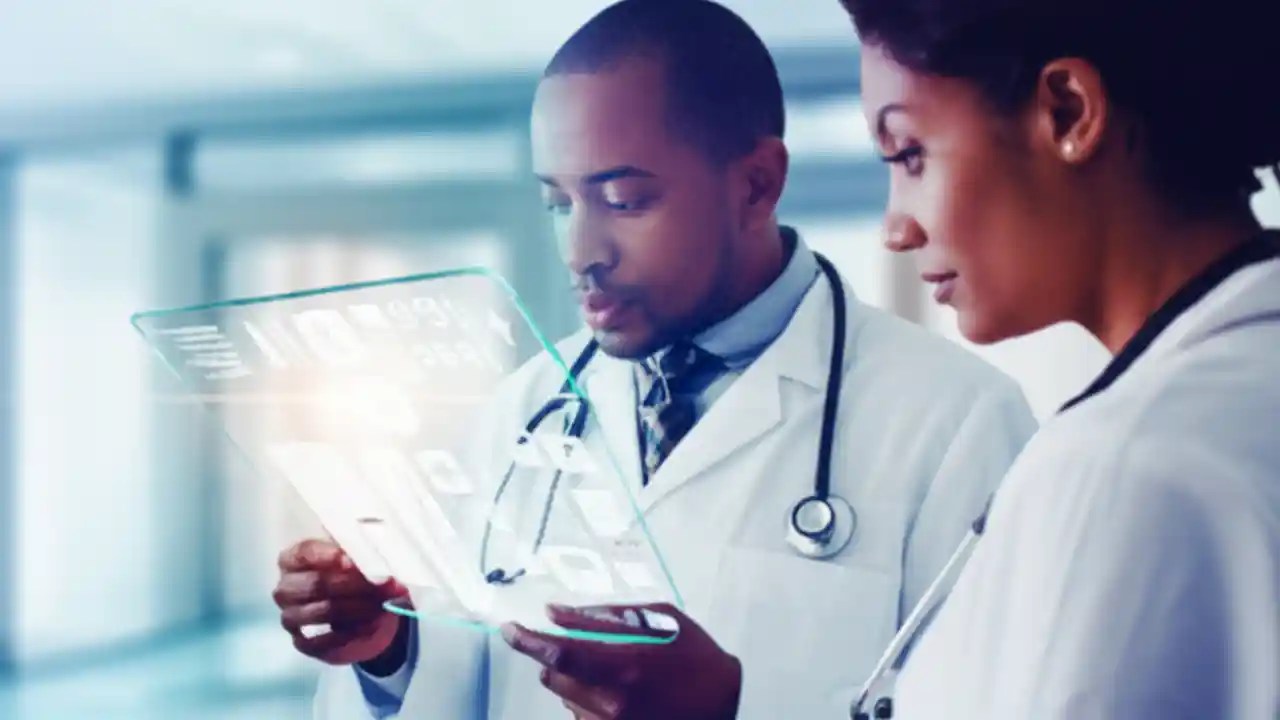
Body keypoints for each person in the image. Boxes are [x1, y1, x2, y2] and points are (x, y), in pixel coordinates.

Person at [280, 1, 1037, 718]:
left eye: (625, 200)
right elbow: (468, 677)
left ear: (755, 184)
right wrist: (387, 649)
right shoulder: (524, 410)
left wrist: (735, 709)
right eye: (559, 203)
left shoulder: (957, 422)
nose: (581, 253)